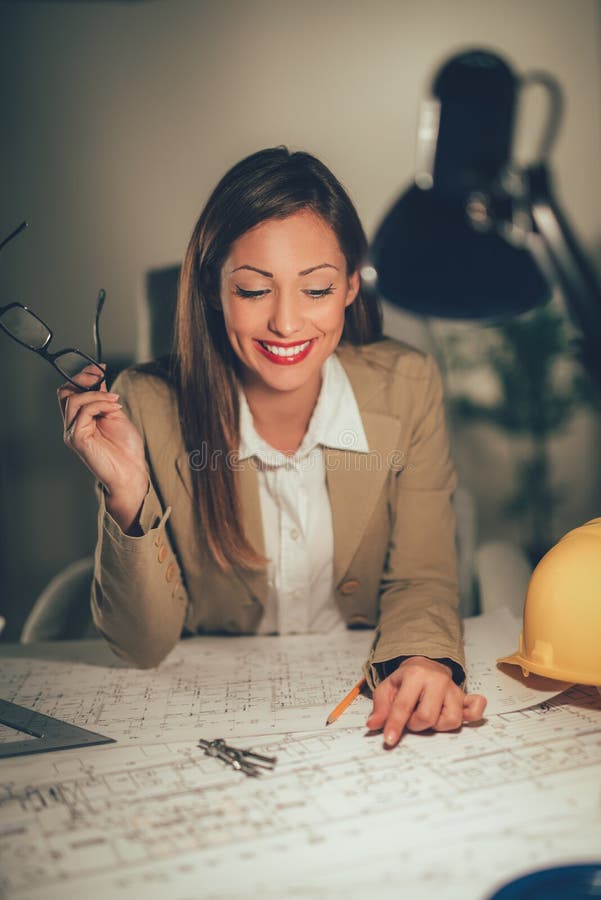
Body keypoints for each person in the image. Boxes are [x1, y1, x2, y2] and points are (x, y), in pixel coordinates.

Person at [58, 147, 486, 747]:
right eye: (256, 290)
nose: (287, 324)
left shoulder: (409, 384)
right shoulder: (146, 404)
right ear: (213, 288)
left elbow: (421, 576)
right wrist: (127, 492)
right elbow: (141, 646)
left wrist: (422, 661)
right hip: (207, 716)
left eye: (315, 289)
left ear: (350, 288)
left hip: (356, 702)